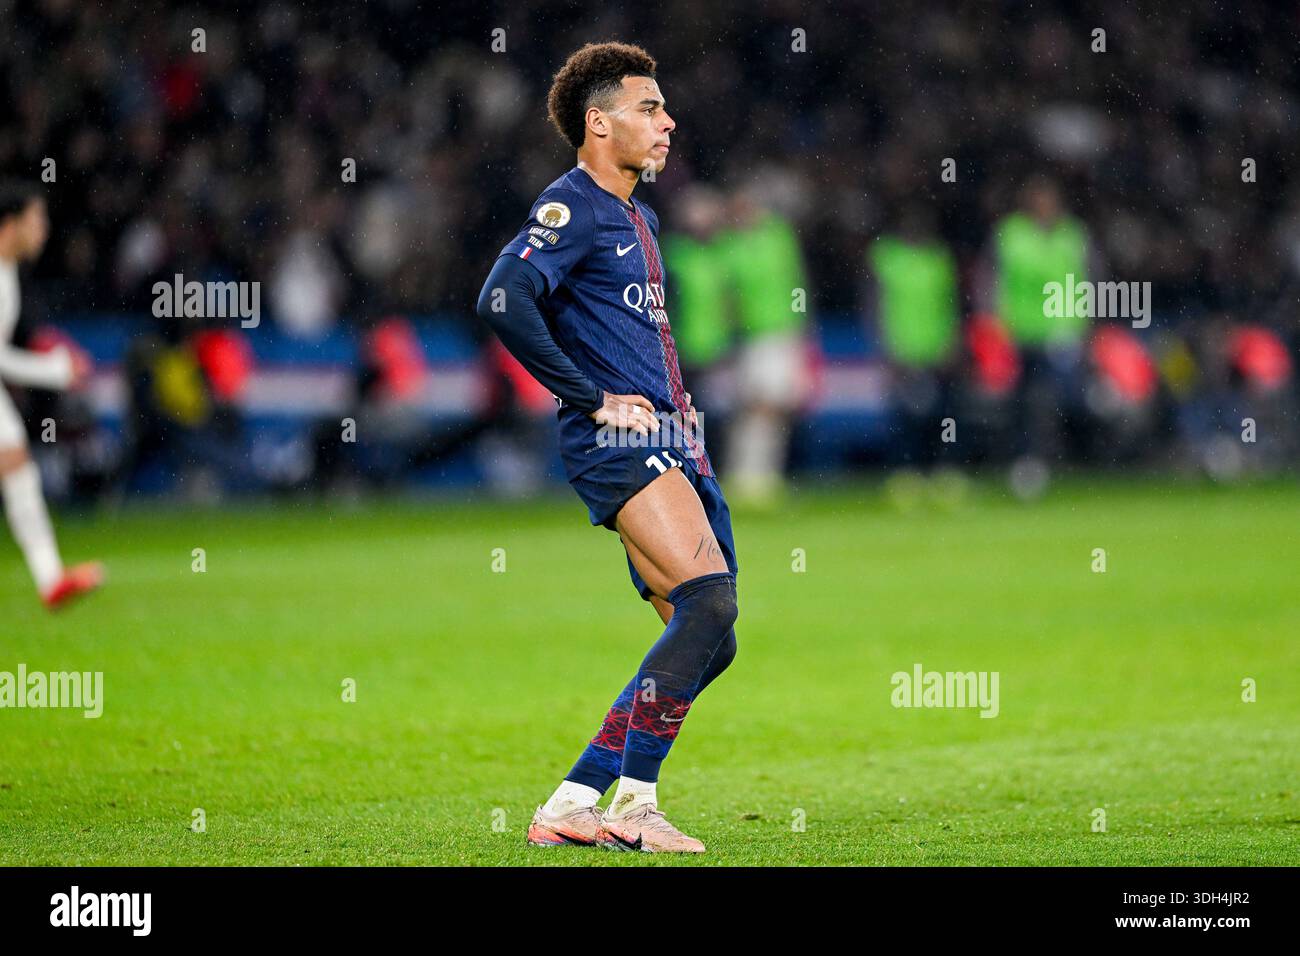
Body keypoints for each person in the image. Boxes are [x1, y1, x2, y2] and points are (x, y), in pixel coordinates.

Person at [475, 42, 739, 853]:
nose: (668, 121)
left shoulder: (639, 215)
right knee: (709, 603)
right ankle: (636, 803)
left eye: (664, 108)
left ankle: (574, 798)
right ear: (600, 124)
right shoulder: (573, 206)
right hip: (616, 442)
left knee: (711, 640)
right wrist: (590, 396)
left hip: (672, 439)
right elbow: (502, 297)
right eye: (649, 108)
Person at [0, 181, 102, 608]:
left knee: (17, 465)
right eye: (36, 220)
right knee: (17, 465)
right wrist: (56, 369)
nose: (43, 230)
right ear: (11, 224)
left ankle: (51, 579)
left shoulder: (7, 274)